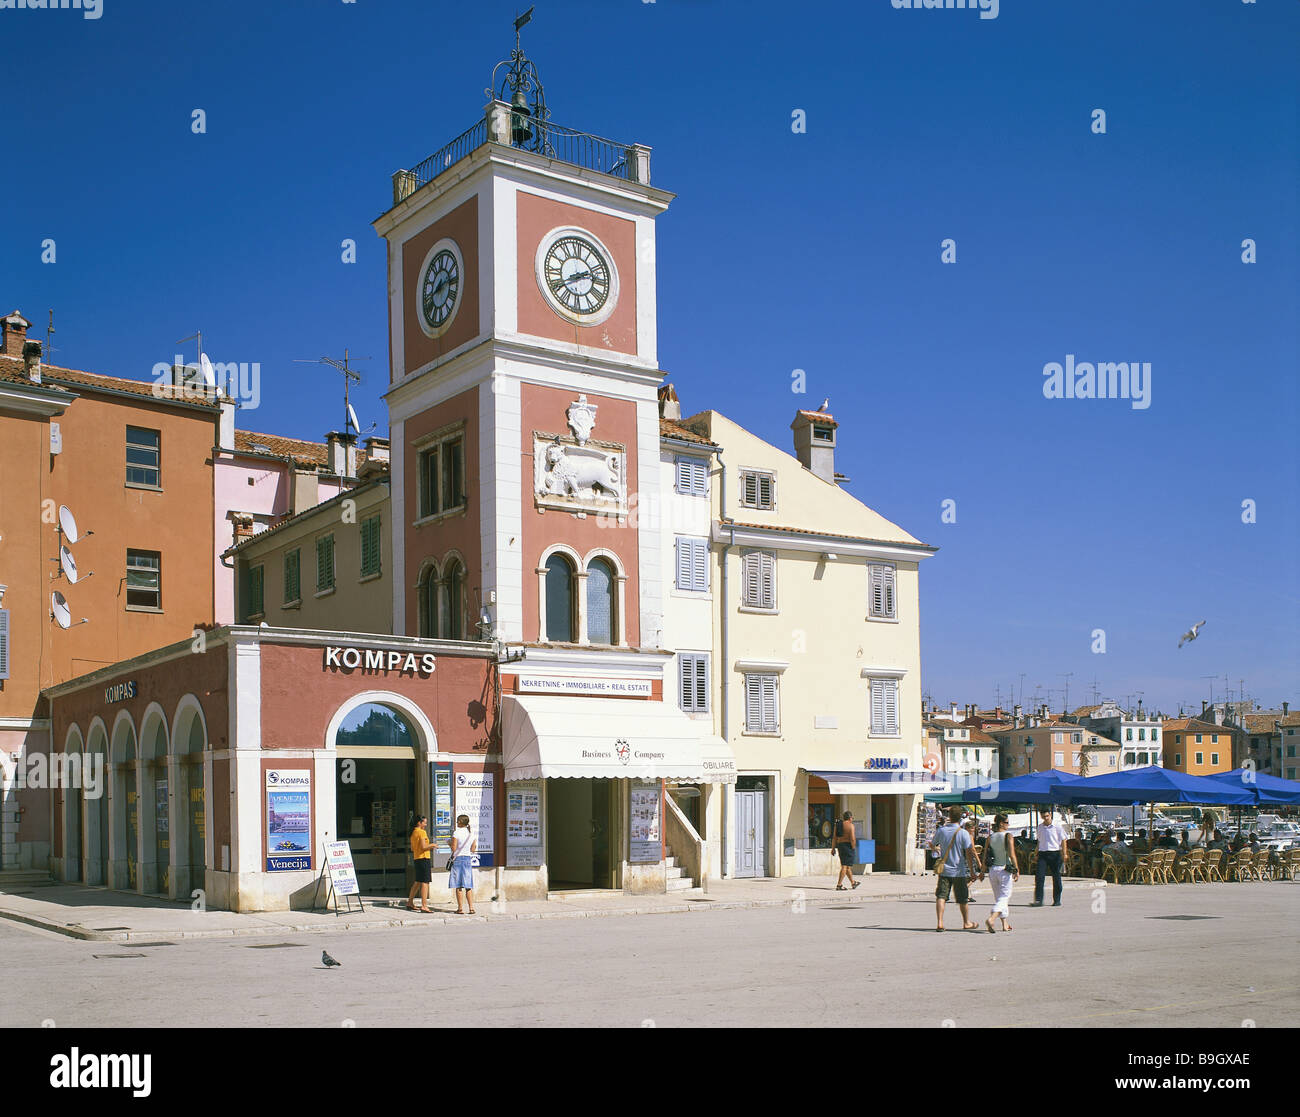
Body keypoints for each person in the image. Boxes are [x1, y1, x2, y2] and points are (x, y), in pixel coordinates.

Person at [933, 805, 983, 932]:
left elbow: (933, 844)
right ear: (960, 817)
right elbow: (969, 853)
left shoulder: (941, 831)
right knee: (962, 898)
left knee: (941, 896)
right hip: (959, 871)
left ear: (949, 817)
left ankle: (940, 922)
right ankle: (966, 922)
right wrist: (972, 871)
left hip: (944, 870)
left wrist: (938, 851)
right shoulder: (963, 833)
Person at [983, 813, 1019, 932]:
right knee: (1004, 897)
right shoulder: (1008, 836)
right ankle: (992, 918)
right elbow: (1012, 854)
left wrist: (982, 870)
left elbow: (985, 855)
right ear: (1001, 824)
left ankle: (1005, 924)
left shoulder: (990, 837)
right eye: (1007, 822)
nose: (1008, 825)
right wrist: (1016, 869)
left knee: (999, 898)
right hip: (1004, 869)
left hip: (993, 870)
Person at [1032, 808, 1067, 907]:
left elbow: (1064, 840)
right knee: (1039, 877)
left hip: (1055, 853)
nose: (1045, 818)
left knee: (1056, 877)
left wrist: (1064, 853)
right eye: (1043, 817)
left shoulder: (1057, 826)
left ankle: (1057, 899)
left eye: (1047, 816)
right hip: (1043, 854)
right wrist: (1036, 853)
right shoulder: (1040, 827)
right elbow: (1039, 841)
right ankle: (1038, 900)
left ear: (1050, 815)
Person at [449, 813, 477, 915]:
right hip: (467, 859)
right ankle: (471, 908)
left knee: (458, 885)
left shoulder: (456, 833)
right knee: (468, 885)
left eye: (457, 821)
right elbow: (473, 849)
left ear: (460, 822)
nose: (456, 823)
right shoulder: (471, 834)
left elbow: (453, 848)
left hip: (458, 859)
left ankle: (460, 908)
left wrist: (449, 843)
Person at [406, 814, 434, 913]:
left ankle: (410, 902)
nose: (425, 825)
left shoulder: (413, 832)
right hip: (424, 858)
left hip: (417, 858)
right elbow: (424, 847)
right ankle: (424, 905)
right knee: (425, 882)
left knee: (418, 881)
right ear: (419, 823)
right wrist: (433, 845)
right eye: (424, 823)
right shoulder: (421, 832)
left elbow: (413, 848)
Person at [834, 811, 860, 891]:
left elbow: (834, 838)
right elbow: (852, 838)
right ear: (850, 818)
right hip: (848, 846)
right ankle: (839, 885)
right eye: (852, 818)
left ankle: (853, 882)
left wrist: (832, 848)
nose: (852, 819)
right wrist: (853, 846)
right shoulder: (850, 826)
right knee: (845, 866)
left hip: (840, 846)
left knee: (847, 866)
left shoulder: (838, 825)